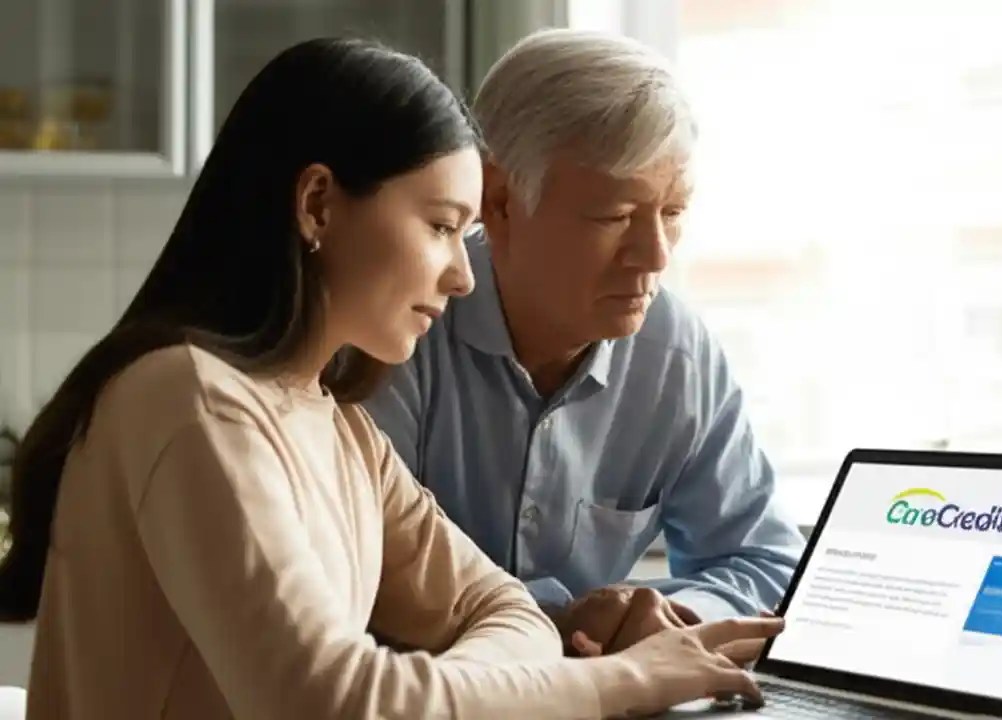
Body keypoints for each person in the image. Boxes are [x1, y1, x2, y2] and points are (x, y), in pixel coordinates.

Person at [0, 38, 782, 719]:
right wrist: (613, 682)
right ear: (317, 205)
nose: (461, 275)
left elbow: (510, 614)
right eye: (442, 227)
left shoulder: (338, 427)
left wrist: (448, 690)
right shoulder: (192, 402)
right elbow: (333, 702)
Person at [365, 28, 805, 660]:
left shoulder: (676, 353)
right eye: (616, 217)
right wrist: (562, 620)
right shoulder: (398, 332)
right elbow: (368, 580)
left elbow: (764, 559)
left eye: (673, 212)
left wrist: (668, 618)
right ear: (500, 201)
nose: (654, 255)